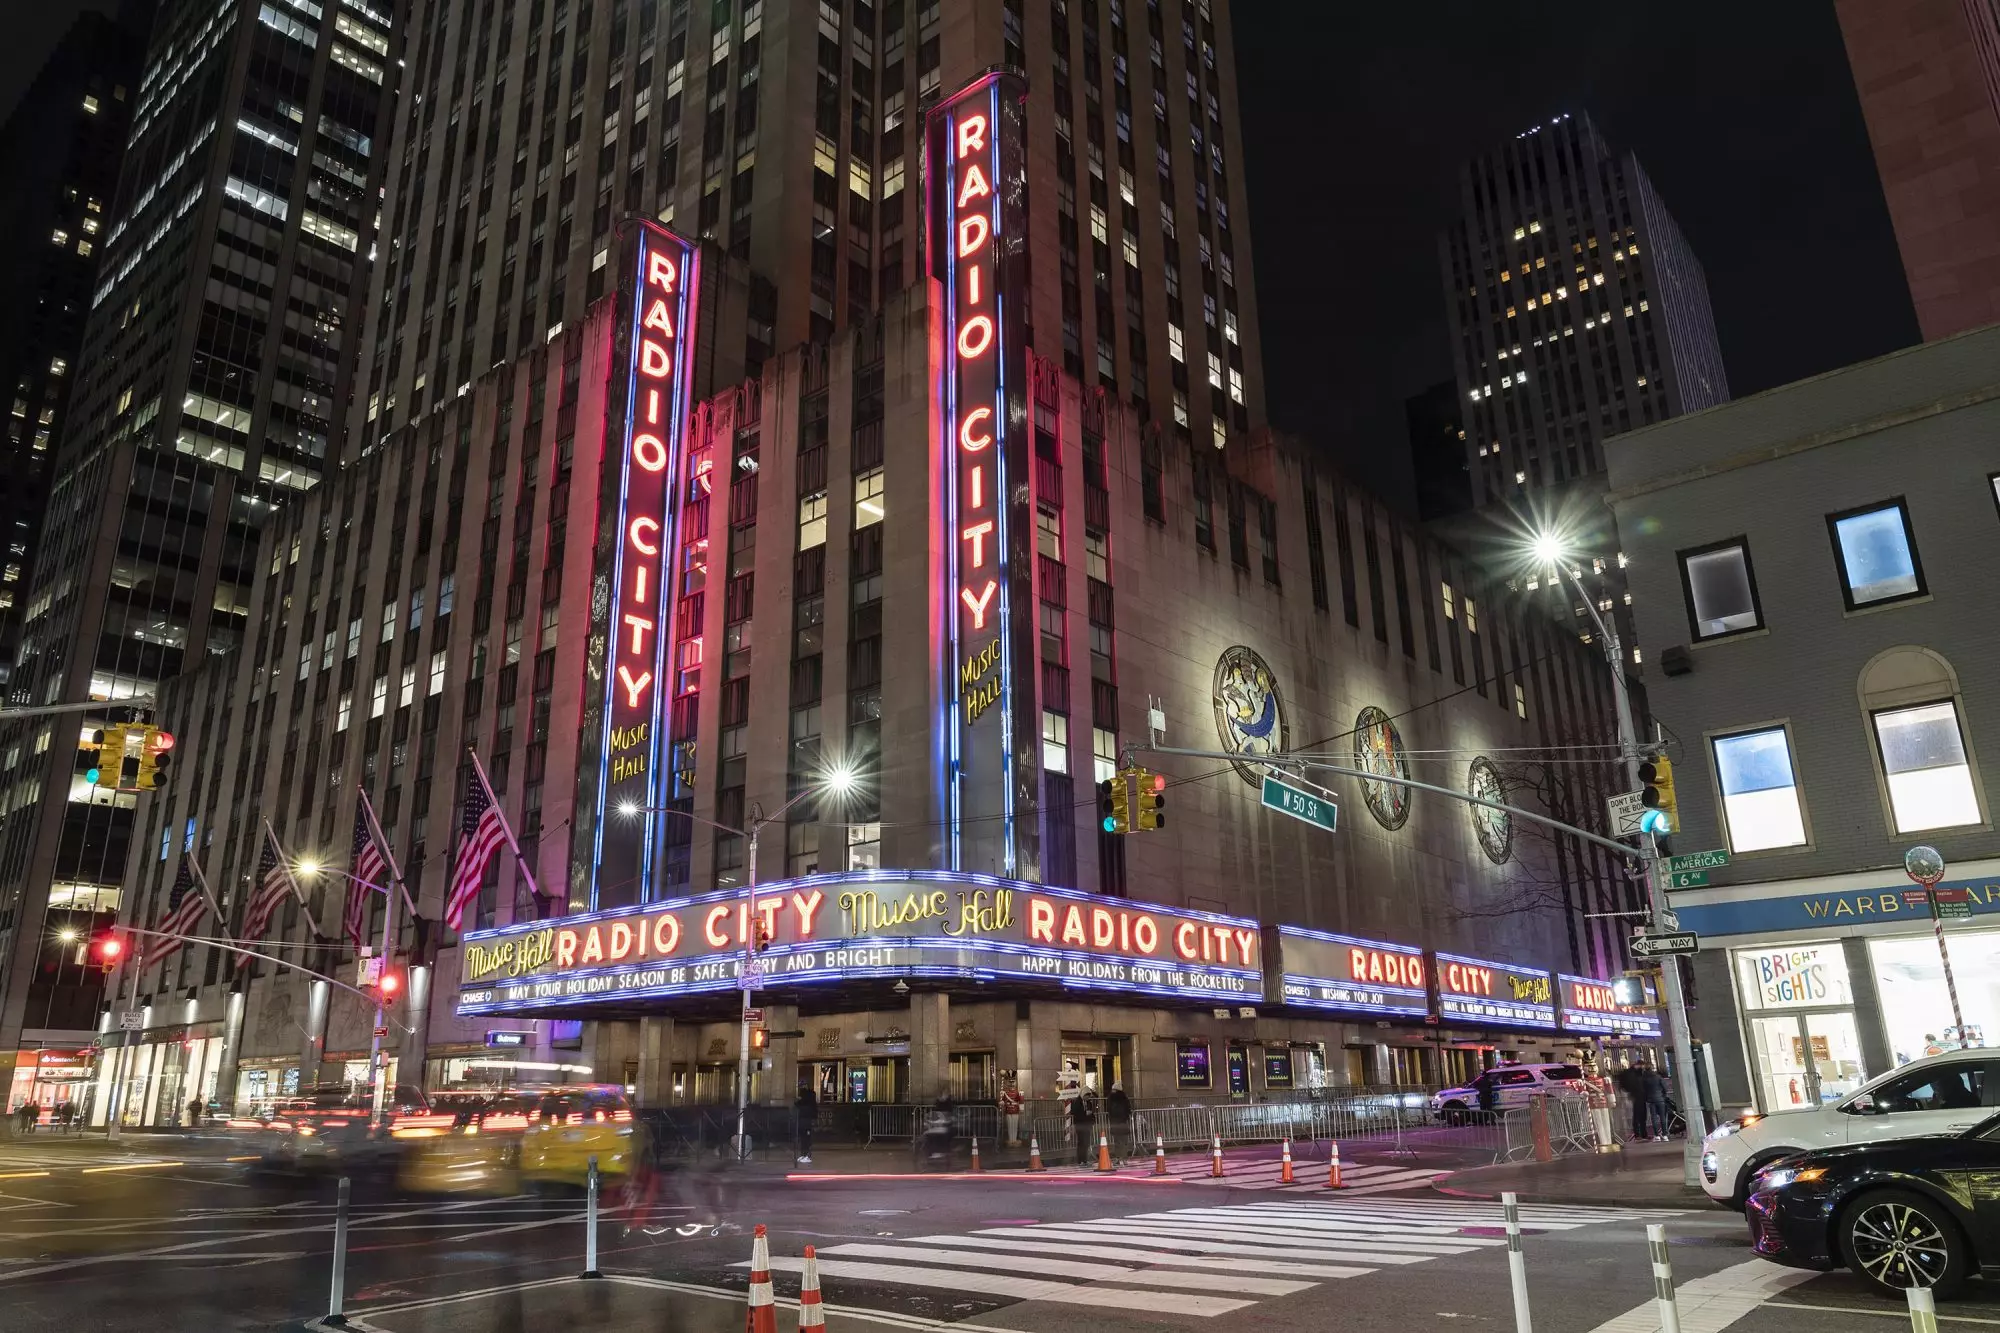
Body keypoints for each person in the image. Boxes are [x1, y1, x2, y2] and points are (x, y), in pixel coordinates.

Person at [1615, 1064, 1649, 1141]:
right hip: (1636, 1096)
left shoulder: (1639, 1075)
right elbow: (1627, 1075)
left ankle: (1644, 1134)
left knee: (1643, 1116)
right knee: (1637, 1116)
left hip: (1641, 1096)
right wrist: (1633, 1067)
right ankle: (1638, 1135)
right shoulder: (1632, 1074)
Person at [1068, 1082, 1097, 1165]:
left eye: (1088, 1096)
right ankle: (1080, 1160)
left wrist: (1092, 1120)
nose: (1087, 1098)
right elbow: (1075, 1113)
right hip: (1080, 1125)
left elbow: (1092, 1113)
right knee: (1081, 1142)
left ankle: (1085, 1160)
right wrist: (1085, 1113)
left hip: (1087, 1125)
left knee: (1086, 1142)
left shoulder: (1089, 1103)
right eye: (1086, 1096)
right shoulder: (1076, 1102)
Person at [1105, 1081, 1133, 1164]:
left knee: (1118, 1141)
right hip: (1122, 1122)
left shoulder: (1111, 1098)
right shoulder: (1124, 1098)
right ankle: (1123, 1158)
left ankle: (1119, 1158)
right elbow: (1128, 1109)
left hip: (1116, 1123)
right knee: (1123, 1141)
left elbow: (1109, 1110)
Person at [1643, 1067, 1672, 1143]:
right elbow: (1665, 1088)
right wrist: (1663, 1096)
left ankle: (1657, 1136)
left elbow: (1645, 1091)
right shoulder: (1659, 1077)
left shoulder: (1646, 1080)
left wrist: (1647, 1099)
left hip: (1651, 1101)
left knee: (1654, 1118)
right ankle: (1665, 1135)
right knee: (1662, 1117)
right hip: (1660, 1100)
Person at [794, 1085, 816, 1165]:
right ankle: (804, 1155)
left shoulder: (806, 1103)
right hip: (805, 1122)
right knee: (804, 1138)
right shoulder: (808, 1102)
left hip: (806, 1122)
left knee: (806, 1139)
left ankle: (807, 1155)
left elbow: (797, 1104)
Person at [999, 1080, 1024, 1147]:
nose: (1012, 1084)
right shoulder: (1005, 1093)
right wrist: (1001, 1101)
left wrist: (1021, 1108)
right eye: (1010, 1083)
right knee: (1009, 1126)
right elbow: (1002, 1101)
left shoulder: (1018, 1092)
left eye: (1013, 1083)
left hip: (1015, 1110)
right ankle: (1011, 1139)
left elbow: (1021, 1100)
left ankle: (1014, 1139)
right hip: (1008, 1110)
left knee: (1015, 1125)